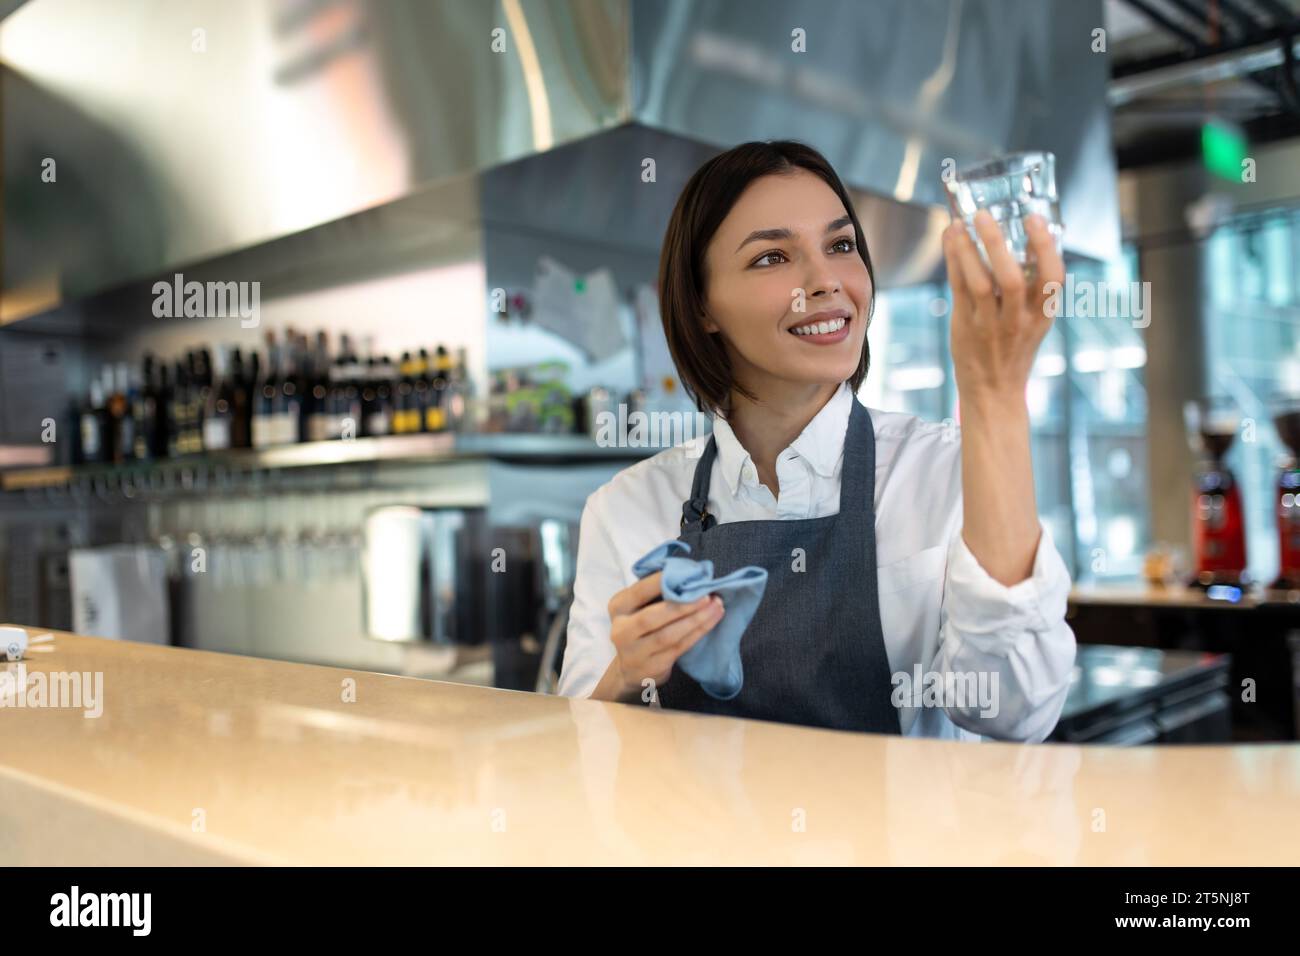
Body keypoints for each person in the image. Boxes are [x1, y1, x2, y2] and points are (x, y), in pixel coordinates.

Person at [558, 140, 1075, 741]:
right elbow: (581, 761)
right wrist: (625, 677)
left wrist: (994, 394)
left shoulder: (949, 472)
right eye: (773, 257)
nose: (825, 280)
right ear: (703, 307)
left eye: (841, 245)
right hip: (703, 839)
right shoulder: (625, 510)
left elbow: (1016, 712)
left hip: (899, 840)